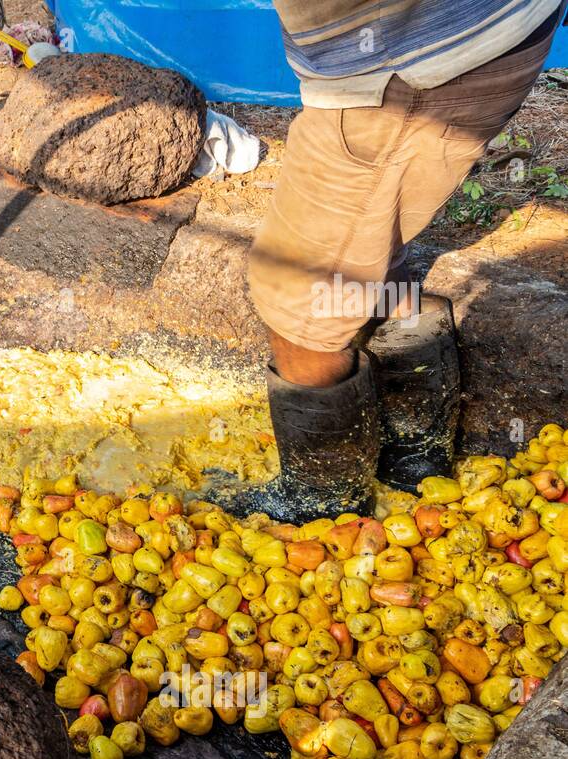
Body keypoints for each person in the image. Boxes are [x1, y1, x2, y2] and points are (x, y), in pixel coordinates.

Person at [223, 0, 565, 523]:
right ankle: (412, 459)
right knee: (371, 244)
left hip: (415, 68)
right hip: (479, 35)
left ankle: (322, 504)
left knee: (295, 294)